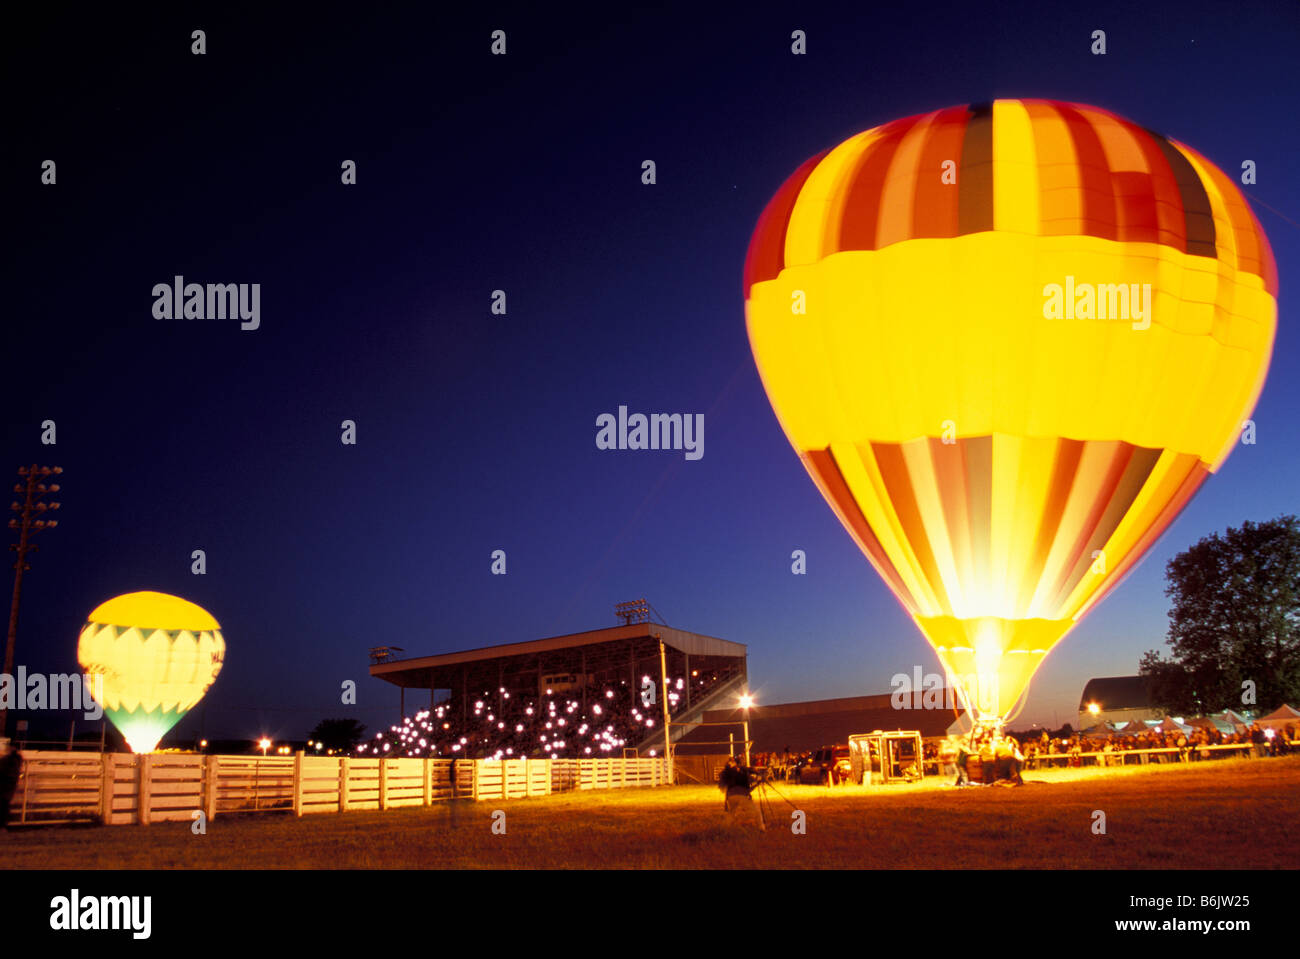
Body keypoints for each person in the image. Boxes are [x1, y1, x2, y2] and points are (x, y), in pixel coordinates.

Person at [718, 756, 763, 830]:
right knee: (757, 812)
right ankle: (762, 828)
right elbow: (747, 790)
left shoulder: (732, 773)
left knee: (731, 813)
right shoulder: (744, 774)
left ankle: (724, 828)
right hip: (741, 796)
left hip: (731, 796)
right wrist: (757, 783)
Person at [0, 739, 23, 830]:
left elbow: (7, 771)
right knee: (4, 803)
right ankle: (4, 823)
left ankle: (3, 823)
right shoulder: (15, 758)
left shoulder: (12, 759)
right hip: (8, 784)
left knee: (3, 803)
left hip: (6, 784)